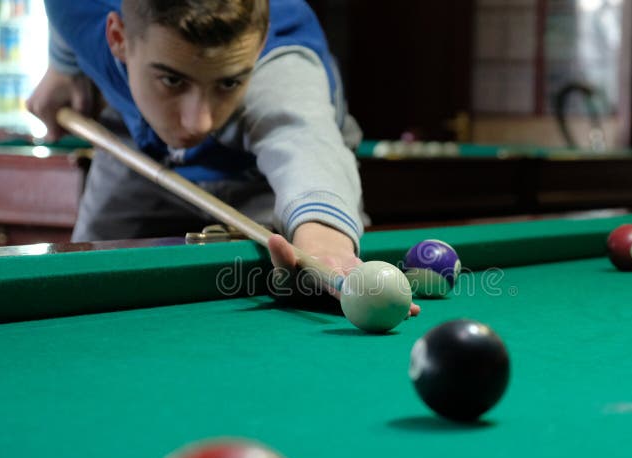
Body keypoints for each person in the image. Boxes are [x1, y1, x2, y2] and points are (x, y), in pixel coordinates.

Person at [28, 0, 418, 314]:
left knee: (292, 279)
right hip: (139, 154)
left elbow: (303, 142)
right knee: (83, 286)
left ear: (260, 42)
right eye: (172, 79)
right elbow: (66, 20)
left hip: (262, 178)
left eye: (228, 82)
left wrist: (324, 240)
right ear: (118, 37)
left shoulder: (281, 74)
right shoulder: (78, 8)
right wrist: (62, 68)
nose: (198, 122)